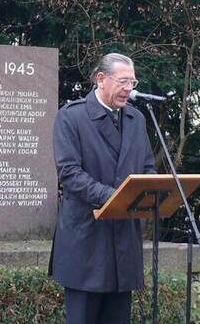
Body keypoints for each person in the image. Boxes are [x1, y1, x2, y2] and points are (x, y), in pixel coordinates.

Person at [50, 53, 157, 324]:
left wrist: (147, 190)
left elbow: (147, 166)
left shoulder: (136, 119)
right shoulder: (71, 117)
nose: (129, 89)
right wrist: (115, 197)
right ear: (101, 79)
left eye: (132, 82)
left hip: (124, 241)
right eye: (123, 81)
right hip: (87, 240)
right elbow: (70, 173)